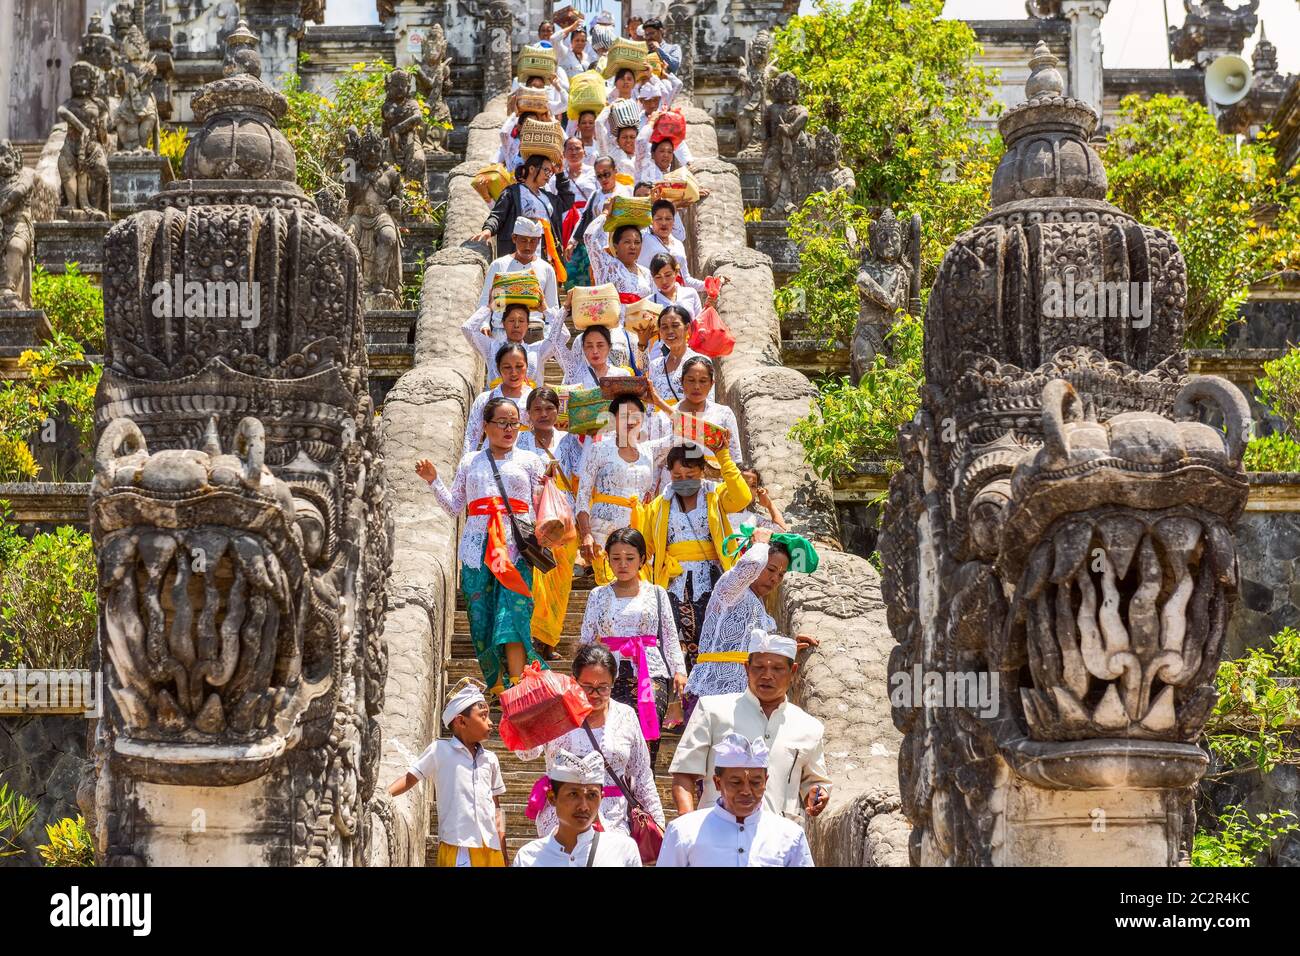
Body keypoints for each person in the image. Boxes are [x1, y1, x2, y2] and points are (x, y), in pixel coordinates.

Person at [419, 397, 548, 692]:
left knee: (511, 616)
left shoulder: (531, 460)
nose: (508, 428)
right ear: (485, 426)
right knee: (482, 623)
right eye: (502, 422)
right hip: (477, 550)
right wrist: (434, 481)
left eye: (514, 422)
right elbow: (454, 507)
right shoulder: (470, 461)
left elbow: (543, 504)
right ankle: (497, 687)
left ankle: (517, 687)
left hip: (515, 550)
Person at [670, 629, 832, 822]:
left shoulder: (808, 727)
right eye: (759, 667)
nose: (767, 675)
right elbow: (684, 774)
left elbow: (815, 783)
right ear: (747, 668)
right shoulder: (713, 710)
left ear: (793, 671)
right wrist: (687, 826)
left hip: (778, 843)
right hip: (717, 838)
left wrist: (816, 795)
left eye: (777, 669)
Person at [520, 644, 666, 836]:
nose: (594, 694)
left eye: (603, 688)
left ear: (613, 682)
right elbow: (526, 753)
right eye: (587, 687)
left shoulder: (626, 715)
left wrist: (658, 824)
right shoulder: (555, 712)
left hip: (613, 823)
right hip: (560, 823)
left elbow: (641, 777)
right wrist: (526, 709)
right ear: (574, 681)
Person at [642, 439, 751, 680]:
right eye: (677, 476)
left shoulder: (716, 495)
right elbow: (647, 547)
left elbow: (742, 497)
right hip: (674, 581)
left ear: (702, 471)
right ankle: (685, 699)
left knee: (712, 638)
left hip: (712, 578)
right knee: (679, 643)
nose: (683, 481)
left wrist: (723, 457)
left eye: (690, 474)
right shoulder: (659, 506)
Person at [579, 528, 686, 763]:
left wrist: (679, 670)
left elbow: (668, 635)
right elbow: (586, 639)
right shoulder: (597, 595)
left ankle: (643, 793)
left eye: (630, 558)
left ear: (642, 560)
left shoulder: (656, 593)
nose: (623, 564)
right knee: (612, 738)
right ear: (607, 559)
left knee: (646, 740)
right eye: (616, 558)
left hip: (650, 672)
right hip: (607, 674)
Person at [388, 681, 509, 866]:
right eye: (483, 716)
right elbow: (410, 778)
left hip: (491, 848)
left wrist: (504, 850)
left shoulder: (491, 759)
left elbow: (496, 808)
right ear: (461, 721)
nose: (491, 722)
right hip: (458, 846)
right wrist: (384, 795)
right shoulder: (439, 750)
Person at [687, 528, 817, 700]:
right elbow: (752, 564)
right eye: (770, 569)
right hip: (711, 689)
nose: (775, 579)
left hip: (744, 696)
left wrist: (791, 644)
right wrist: (761, 544)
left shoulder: (760, 609)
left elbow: (758, 646)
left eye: (781, 574)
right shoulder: (730, 590)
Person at [657, 733, 813, 867]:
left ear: (766, 782)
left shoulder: (790, 835)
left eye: (755, 783)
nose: (746, 791)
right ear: (718, 783)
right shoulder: (684, 831)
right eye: (736, 782)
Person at [516, 387, 578, 657]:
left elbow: (581, 475)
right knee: (536, 582)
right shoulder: (519, 443)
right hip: (532, 519)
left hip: (564, 521)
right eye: (537, 409)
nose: (543, 414)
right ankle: (531, 638)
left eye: (549, 408)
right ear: (528, 414)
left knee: (560, 583)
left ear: (558, 411)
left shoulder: (569, 441)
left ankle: (550, 640)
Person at [575, 393, 660, 584]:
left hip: (640, 531)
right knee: (609, 590)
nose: (629, 421)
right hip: (603, 532)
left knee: (638, 592)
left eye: (635, 416)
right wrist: (586, 534)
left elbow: (686, 433)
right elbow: (583, 496)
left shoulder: (650, 450)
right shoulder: (599, 449)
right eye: (623, 416)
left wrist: (657, 401)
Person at [513, 749, 643, 867]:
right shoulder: (528, 858)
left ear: (601, 798)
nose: (583, 806)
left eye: (592, 795)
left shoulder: (622, 851)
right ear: (552, 798)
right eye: (573, 794)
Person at [477, 155, 574, 270]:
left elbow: (567, 201)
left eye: (551, 171)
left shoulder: (547, 197)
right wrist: (488, 229)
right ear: (532, 169)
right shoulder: (513, 192)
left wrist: (560, 174)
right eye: (546, 170)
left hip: (544, 250)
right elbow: (498, 215)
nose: (549, 175)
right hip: (518, 249)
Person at [477, 218, 560, 330]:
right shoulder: (498, 265)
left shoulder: (546, 269)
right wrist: (484, 324)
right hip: (502, 331)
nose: (528, 246)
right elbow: (486, 299)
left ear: (539, 240)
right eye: (524, 240)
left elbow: (553, 307)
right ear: (514, 238)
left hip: (535, 331)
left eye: (533, 241)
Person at [462, 302, 566, 386]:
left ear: (527, 324)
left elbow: (564, 336)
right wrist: (489, 307)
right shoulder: (492, 348)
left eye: (521, 321)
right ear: (503, 323)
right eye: (511, 320)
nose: (516, 325)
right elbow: (467, 328)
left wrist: (546, 310)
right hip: (497, 408)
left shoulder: (537, 350)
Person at [462, 343, 534, 458]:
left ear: (527, 366)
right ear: (498, 368)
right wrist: (466, 466)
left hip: (528, 462)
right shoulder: (485, 399)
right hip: (491, 462)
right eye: (507, 367)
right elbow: (471, 438)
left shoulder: (536, 400)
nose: (514, 372)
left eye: (519, 366)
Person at [638, 200, 711, 295]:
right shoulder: (644, 238)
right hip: (651, 298)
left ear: (673, 220)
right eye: (659, 219)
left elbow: (686, 280)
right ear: (651, 221)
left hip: (676, 299)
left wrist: (708, 285)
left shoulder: (678, 244)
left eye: (668, 219)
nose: (664, 223)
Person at [646, 304, 706, 400]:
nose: (670, 331)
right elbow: (651, 406)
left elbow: (707, 404)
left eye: (675, 326)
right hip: (659, 415)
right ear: (660, 332)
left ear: (687, 328)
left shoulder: (701, 363)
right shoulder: (655, 365)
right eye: (664, 327)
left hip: (689, 415)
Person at [556, 322, 634, 386]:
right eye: (589, 346)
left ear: (609, 347)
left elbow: (626, 404)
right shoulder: (575, 373)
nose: (595, 351)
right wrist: (565, 309)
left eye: (600, 345)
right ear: (583, 348)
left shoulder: (622, 375)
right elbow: (555, 340)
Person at [728, 465, 789, 533]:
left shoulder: (753, 518)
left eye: (753, 486)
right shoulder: (719, 509)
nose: (748, 489)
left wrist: (769, 505)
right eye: (743, 483)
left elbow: (781, 530)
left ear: (756, 492)